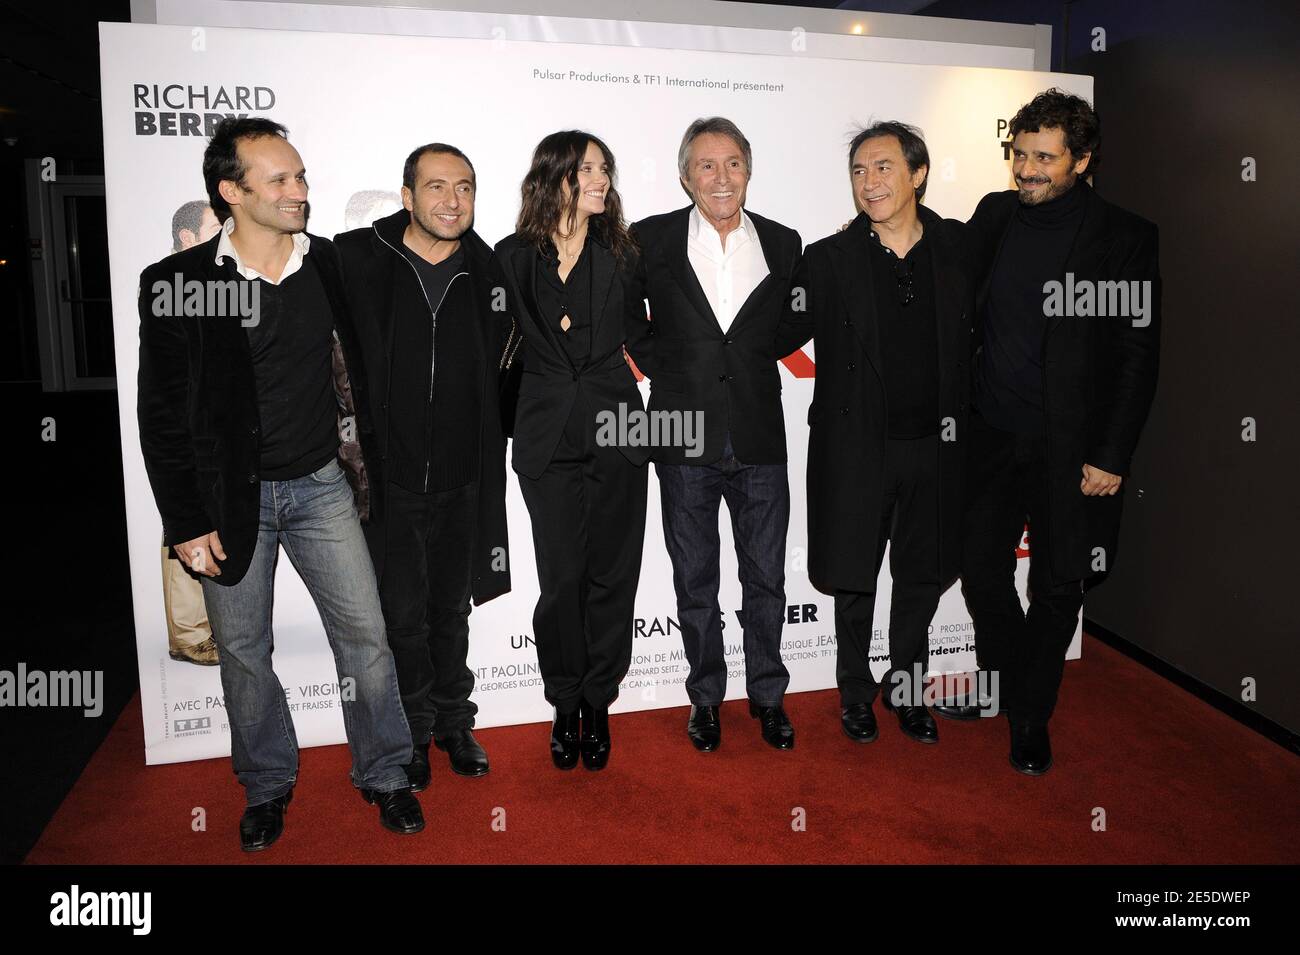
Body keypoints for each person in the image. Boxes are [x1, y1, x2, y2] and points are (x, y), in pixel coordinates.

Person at [137, 117, 424, 850]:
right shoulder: (179, 284)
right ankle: (266, 783)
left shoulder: (329, 266)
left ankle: (387, 771)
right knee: (242, 651)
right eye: (280, 180)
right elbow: (162, 415)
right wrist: (185, 520)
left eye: (300, 176)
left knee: (367, 638)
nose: (299, 190)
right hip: (232, 503)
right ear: (231, 192)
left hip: (323, 484)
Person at [936, 89, 1161, 776]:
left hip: (1072, 451)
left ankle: (1029, 714)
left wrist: (1111, 453)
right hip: (992, 435)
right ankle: (1006, 681)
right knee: (979, 567)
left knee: (1061, 581)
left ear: (1082, 160)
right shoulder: (996, 214)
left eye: (1044, 157)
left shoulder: (1125, 236)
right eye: (1020, 154)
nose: (1026, 169)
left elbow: (1136, 354)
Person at [774, 122, 976, 746]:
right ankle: (855, 693)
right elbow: (776, 334)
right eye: (859, 171)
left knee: (920, 575)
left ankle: (908, 688)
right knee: (854, 574)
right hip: (857, 448)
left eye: (884, 167)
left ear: (917, 174)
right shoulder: (829, 260)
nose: (870, 182)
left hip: (938, 448)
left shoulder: (960, 248)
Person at [335, 144, 511, 788]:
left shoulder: (491, 274)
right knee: (398, 614)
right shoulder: (357, 260)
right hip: (388, 479)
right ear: (407, 196)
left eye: (464, 186)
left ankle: (452, 723)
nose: (452, 200)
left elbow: (512, 371)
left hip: (464, 477)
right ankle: (408, 730)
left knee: (450, 609)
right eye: (436, 186)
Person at [625, 117, 802, 752]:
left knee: (767, 579)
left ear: (748, 172)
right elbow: (625, 316)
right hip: (681, 438)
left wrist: (746, 361)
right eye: (706, 165)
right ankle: (705, 698)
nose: (720, 177)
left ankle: (768, 696)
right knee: (694, 580)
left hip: (759, 436)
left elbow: (787, 327)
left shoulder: (785, 243)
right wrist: (666, 364)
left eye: (732, 164)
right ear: (684, 175)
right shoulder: (649, 239)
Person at [492, 130, 649, 771]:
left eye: (605, 167)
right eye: (588, 167)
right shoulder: (509, 257)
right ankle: (564, 702)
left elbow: (650, 334)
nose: (601, 177)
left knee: (614, 575)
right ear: (556, 176)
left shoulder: (625, 252)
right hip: (545, 436)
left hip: (620, 433)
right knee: (561, 580)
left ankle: (599, 703)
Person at [160, 200, 224, 667]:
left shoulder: (213, 278)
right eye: (215, 226)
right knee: (183, 533)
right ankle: (188, 635)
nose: (225, 233)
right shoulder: (173, 282)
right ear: (188, 237)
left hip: (214, 435)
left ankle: (202, 629)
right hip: (186, 437)